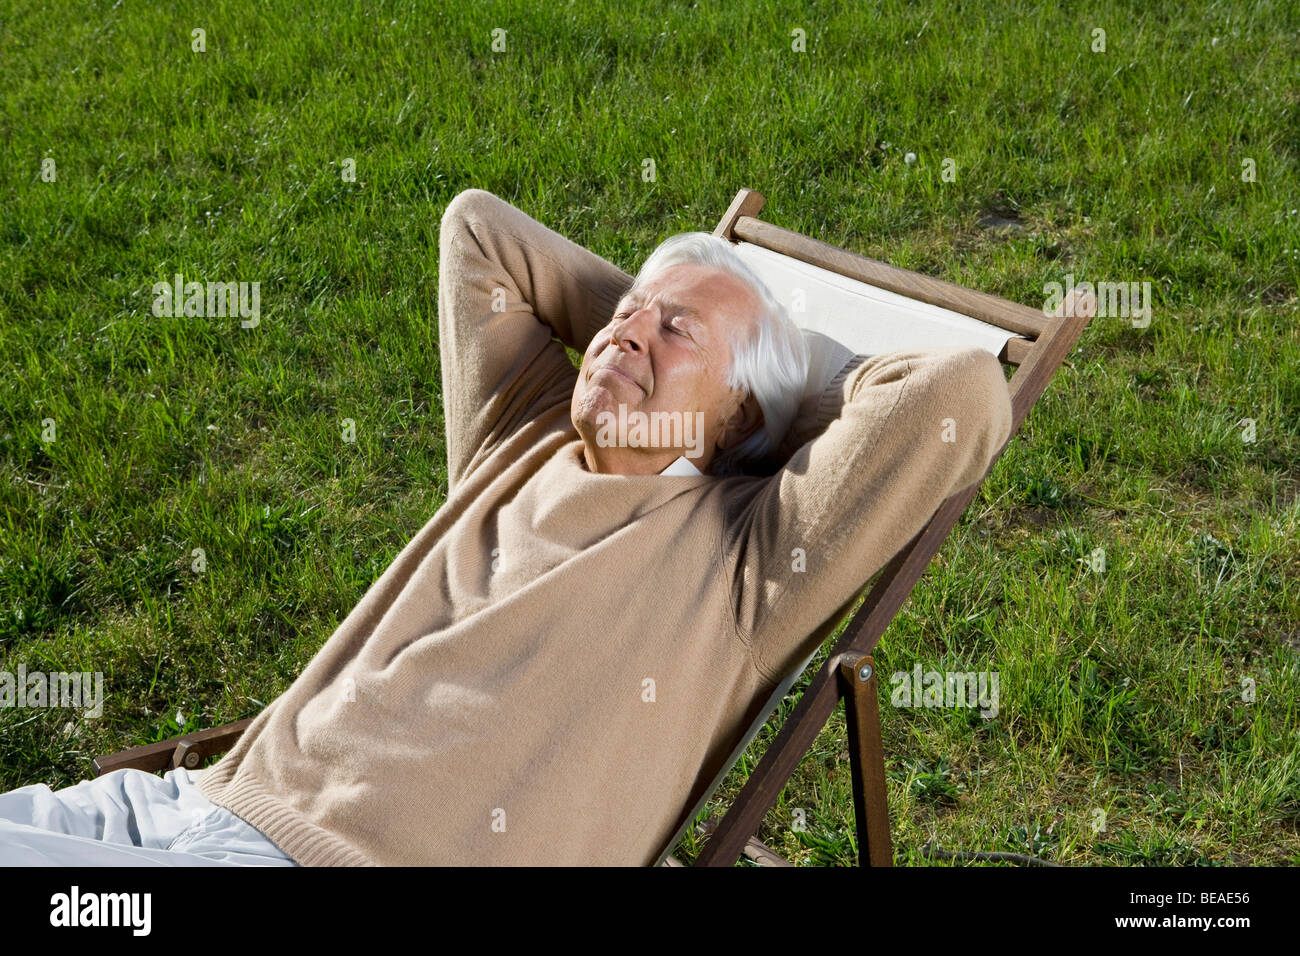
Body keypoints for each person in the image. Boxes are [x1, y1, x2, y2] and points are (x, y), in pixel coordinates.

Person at [0, 189, 1012, 866]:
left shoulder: (748, 556)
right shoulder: (518, 431)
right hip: (186, 806)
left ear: (745, 414)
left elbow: (958, 388)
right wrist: (656, 322)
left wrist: (774, 390)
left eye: (673, 328)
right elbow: (476, 229)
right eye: (624, 311)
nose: (622, 328)